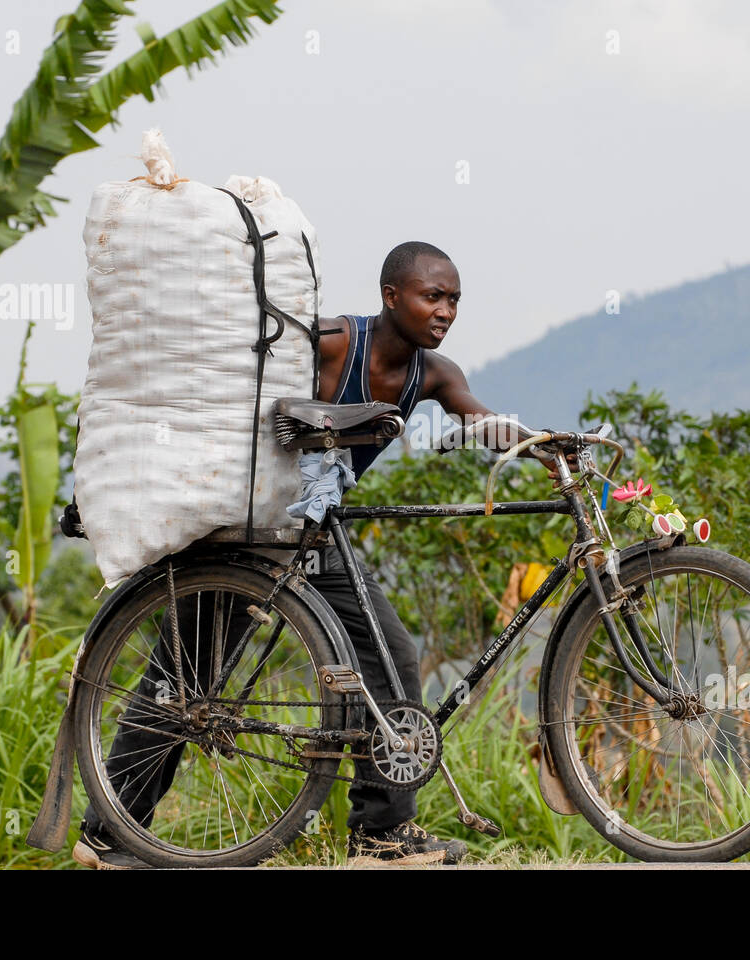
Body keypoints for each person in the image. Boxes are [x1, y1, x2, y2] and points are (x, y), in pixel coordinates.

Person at [74, 241, 574, 869]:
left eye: (453, 300)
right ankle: (108, 835)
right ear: (391, 296)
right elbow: (245, 389)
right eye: (431, 296)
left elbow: (479, 420)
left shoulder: (433, 373)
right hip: (247, 526)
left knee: (390, 655)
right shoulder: (333, 341)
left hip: (313, 538)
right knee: (187, 683)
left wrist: (540, 446)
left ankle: (382, 833)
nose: (445, 310)